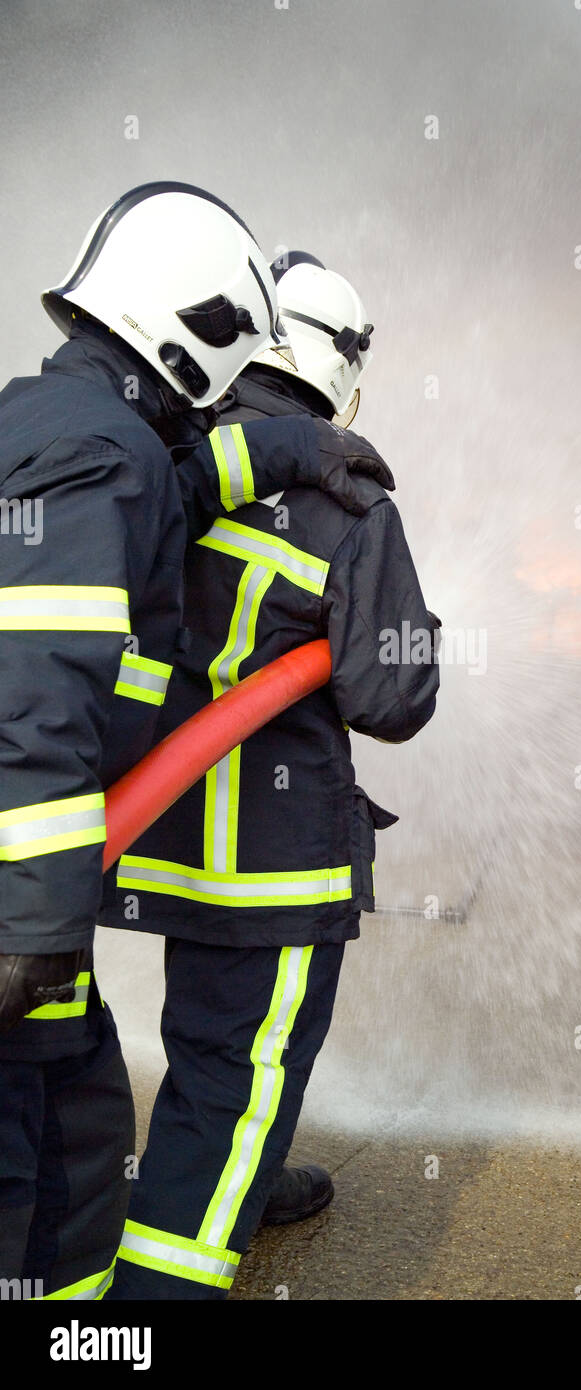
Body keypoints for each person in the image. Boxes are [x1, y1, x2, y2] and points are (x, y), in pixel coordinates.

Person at [0, 185, 392, 1302]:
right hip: (22, 892)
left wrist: (276, 448)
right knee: (44, 1159)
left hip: (83, 875)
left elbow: (162, 488)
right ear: (199, 328)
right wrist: (28, 924)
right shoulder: (102, 453)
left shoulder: (52, 420)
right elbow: (30, 693)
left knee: (77, 1127)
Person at [100, 255, 440, 1300]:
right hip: (270, 869)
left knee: (200, 1041)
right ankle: (161, 1293)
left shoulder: (162, 451)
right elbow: (391, 701)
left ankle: (234, 1179)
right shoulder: (346, 496)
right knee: (235, 1073)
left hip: (142, 835)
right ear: (340, 371)